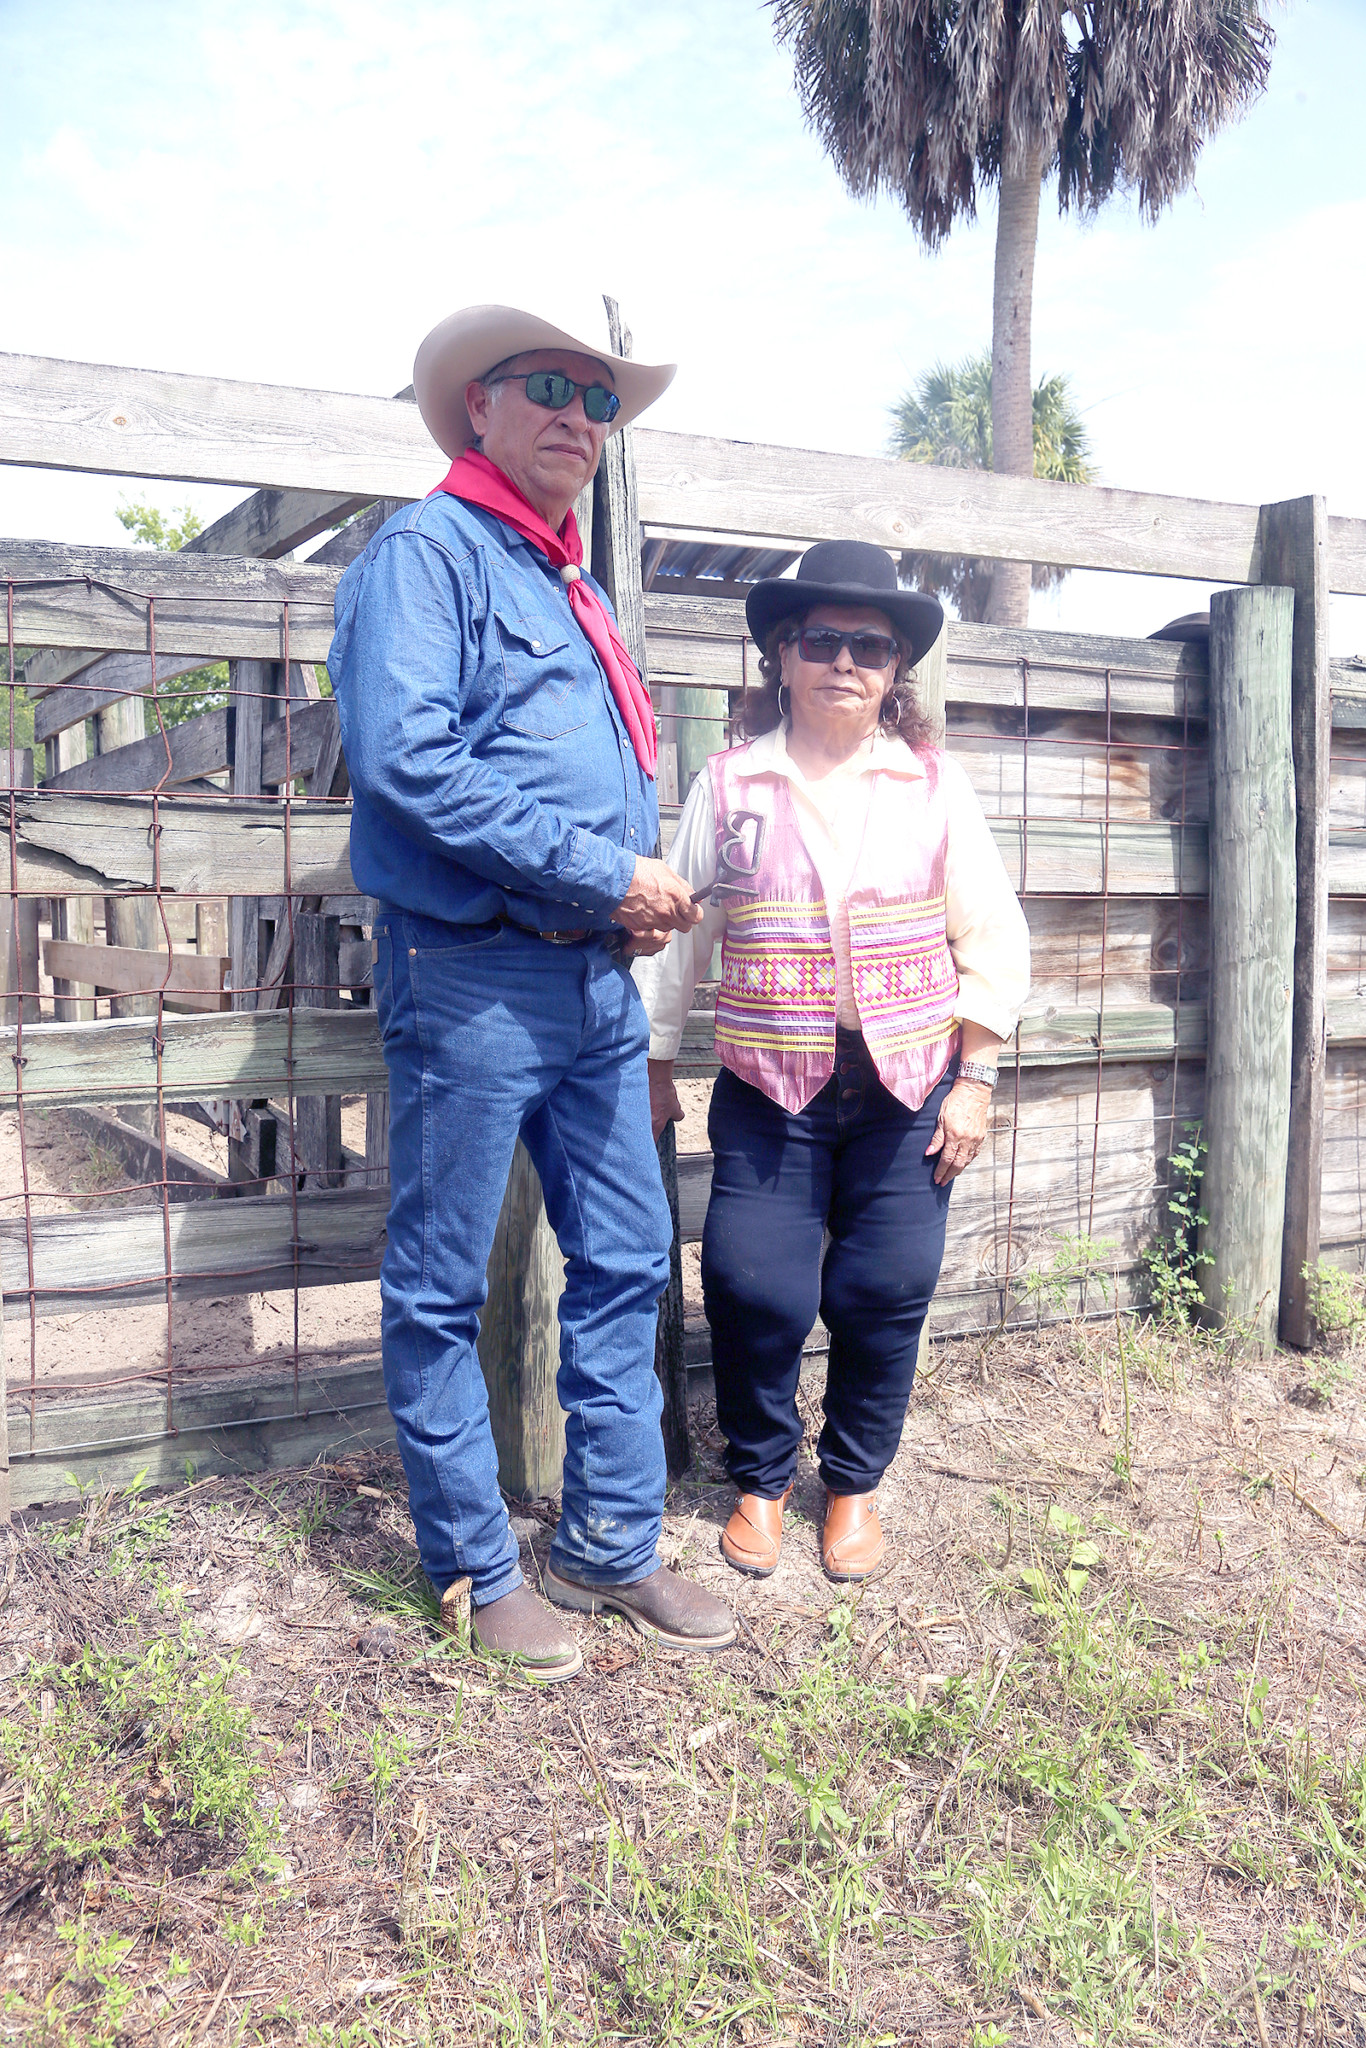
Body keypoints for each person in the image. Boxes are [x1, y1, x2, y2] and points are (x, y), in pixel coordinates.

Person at [329, 302, 735, 1682]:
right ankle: (471, 1563)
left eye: (599, 399)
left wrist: (621, 889)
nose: (578, 415)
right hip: (474, 971)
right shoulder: (428, 554)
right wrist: (605, 871)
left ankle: (609, 1541)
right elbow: (409, 765)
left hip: (590, 978)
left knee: (625, 1254)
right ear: (479, 407)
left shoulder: (569, 582)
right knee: (442, 1280)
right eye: (548, 386)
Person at [636, 541, 1030, 1583]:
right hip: (772, 1085)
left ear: (895, 669)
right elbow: (675, 936)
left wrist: (975, 1078)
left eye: (870, 644)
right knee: (751, 1283)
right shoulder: (731, 785)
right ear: (781, 653)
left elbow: (992, 933)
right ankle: (762, 1480)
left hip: (908, 1086)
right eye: (820, 640)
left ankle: (851, 1485)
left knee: (884, 1287)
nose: (844, 661)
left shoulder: (933, 786)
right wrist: (654, 1063)